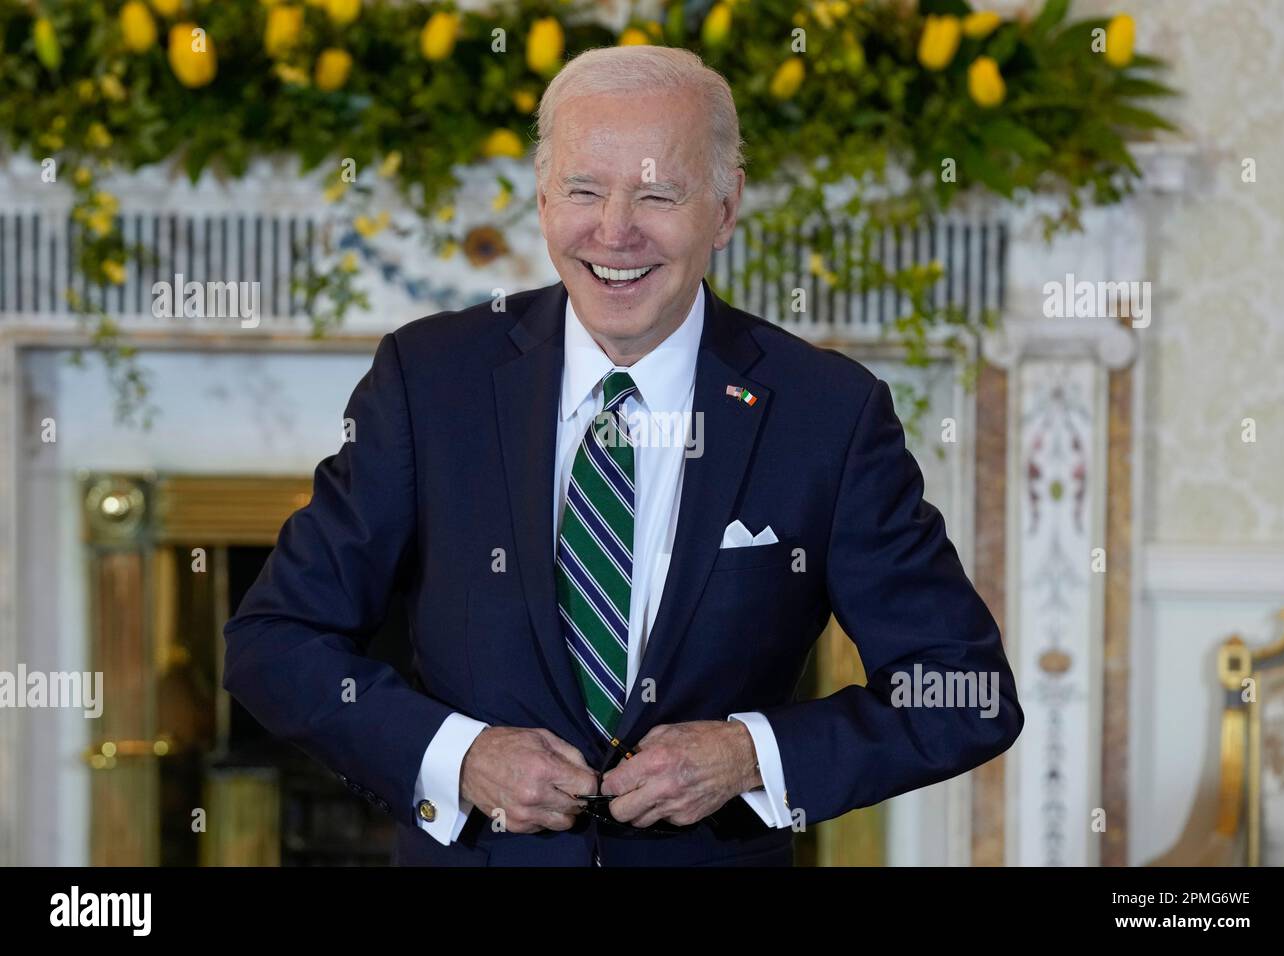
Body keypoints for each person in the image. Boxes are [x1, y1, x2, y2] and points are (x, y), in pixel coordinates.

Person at [223, 45, 1023, 867]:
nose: (614, 231)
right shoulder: (429, 383)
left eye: (657, 194)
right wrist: (458, 759)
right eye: (583, 190)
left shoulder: (828, 414)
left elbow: (966, 693)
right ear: (541, 199)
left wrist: (748, 756)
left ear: (725, 207)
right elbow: (275, 641)